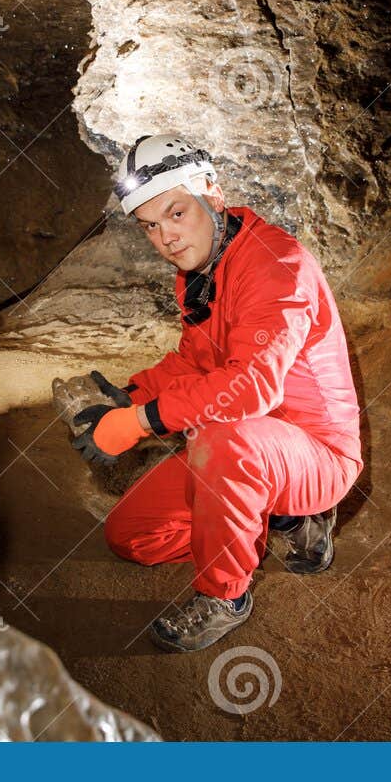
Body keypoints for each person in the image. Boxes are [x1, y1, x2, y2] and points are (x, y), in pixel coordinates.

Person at [69, 135, 365, 652]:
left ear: (213, 192)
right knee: (132, 536)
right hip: (251, 446)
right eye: (151, 227)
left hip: (317, 452)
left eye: (176, 212)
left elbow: (249, 386)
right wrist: (128, 395)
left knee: (220, 438)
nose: (166, 237)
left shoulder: (277, 264)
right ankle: (274, 517)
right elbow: (194, 360)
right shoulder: (203, 271)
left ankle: (226, 594)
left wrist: (141, 422)